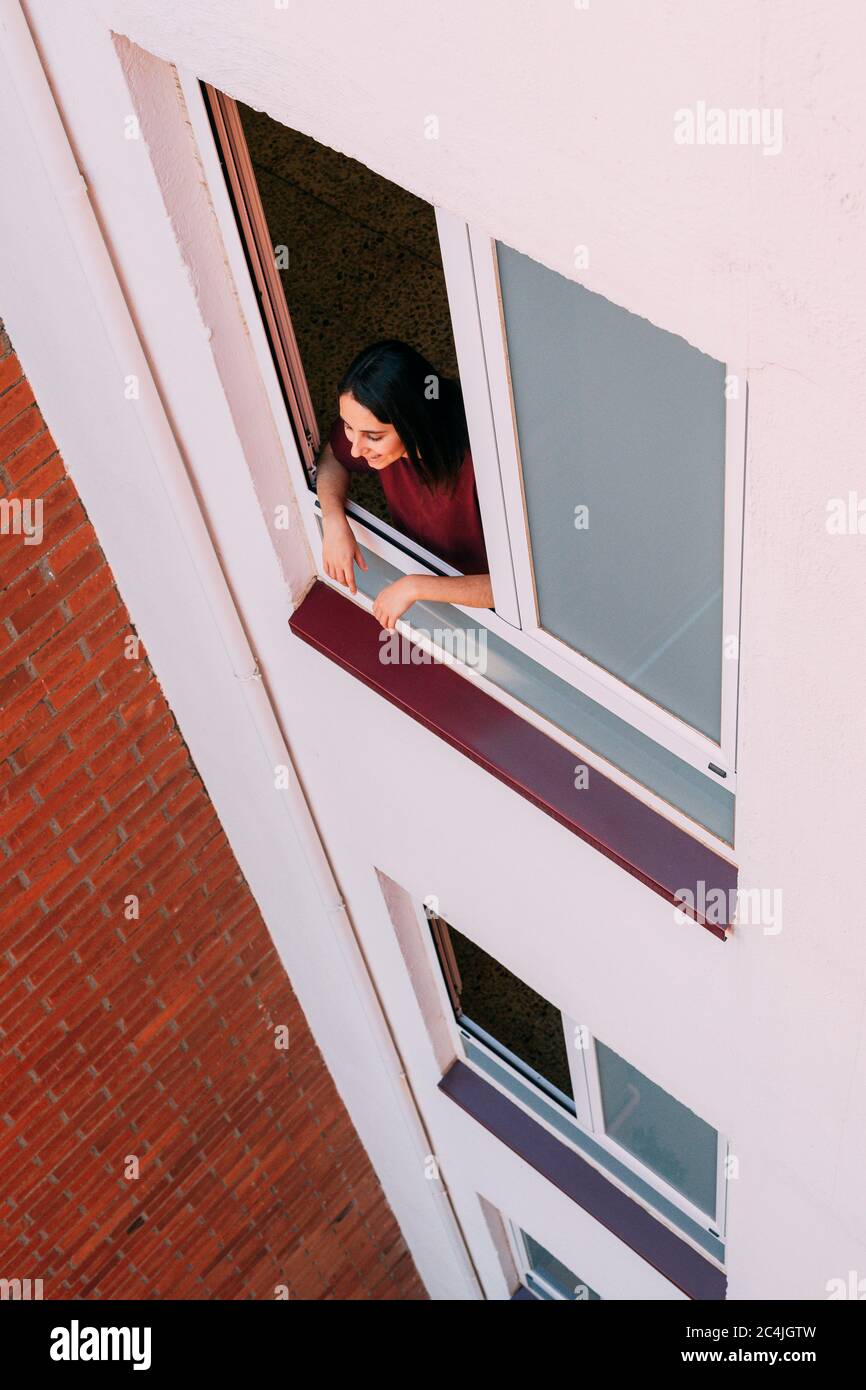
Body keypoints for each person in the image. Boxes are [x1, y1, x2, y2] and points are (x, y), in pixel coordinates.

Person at [316, 339, 493, 630]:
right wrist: (333, 518)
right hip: (426, 585)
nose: (357, 449)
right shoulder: (374, 436)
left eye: (373, 437)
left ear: (413, 424)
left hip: (488, 616)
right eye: (349, 427)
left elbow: (525, 588)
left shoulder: (484, 463)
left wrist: (416, 587)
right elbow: (332, 457)